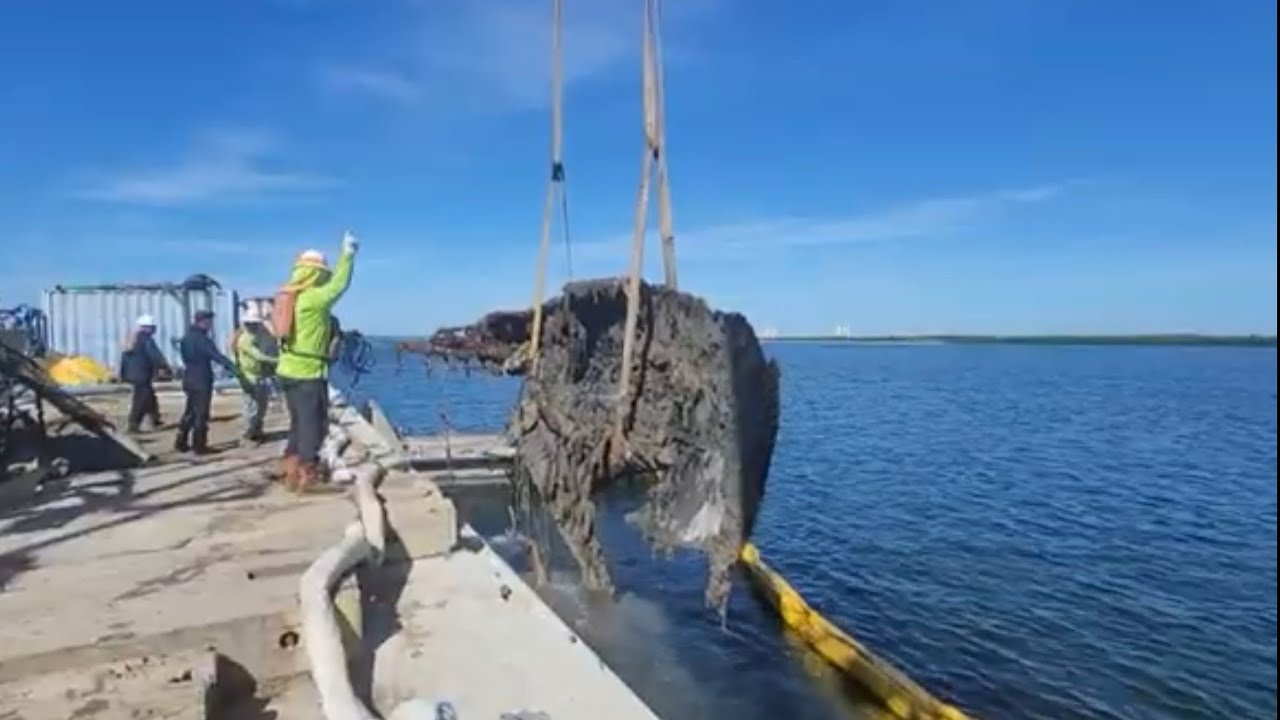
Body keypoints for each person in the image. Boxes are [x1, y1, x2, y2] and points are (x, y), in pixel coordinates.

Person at [275, 232, 358, 490]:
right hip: (307, 373)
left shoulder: (286, 296)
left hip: (286, 370)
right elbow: (339, 284)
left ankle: (289, 469)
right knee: (315, 425)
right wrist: (348, 253)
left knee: (298, 423)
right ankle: (307, 476)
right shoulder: (313, 299)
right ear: (316, 274)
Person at [174, 310, 241, 455]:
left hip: (189, 378)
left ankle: (181, 442)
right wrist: (235, 369)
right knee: (201, 414)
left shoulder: (186, 338)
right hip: (201, 380)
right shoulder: (202, 339)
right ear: (204, 322)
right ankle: (199, 446)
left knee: (190, 412)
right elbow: (216, 356)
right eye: (210, 322)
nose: (211, 325)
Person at [119, 314, 171, 433]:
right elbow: (154, 355)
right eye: (152, 327)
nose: (154, 330)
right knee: (141, 399)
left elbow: (124, 359)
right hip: (142, 374)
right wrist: (165, 367)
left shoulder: (131, 339)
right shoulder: (146, 339)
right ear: (147, 327)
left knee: (150, 397)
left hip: (133, 375)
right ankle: (133, 424)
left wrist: (123, 374)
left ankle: (155, 418)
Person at [233, 306, 278, 445]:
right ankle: (248, 435)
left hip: (261, 375)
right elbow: (258, 356)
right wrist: (279, 360)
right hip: (250, 377)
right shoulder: (245, 339)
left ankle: (257, 432)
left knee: (262, 407)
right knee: (252, 408)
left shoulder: (259, 335)